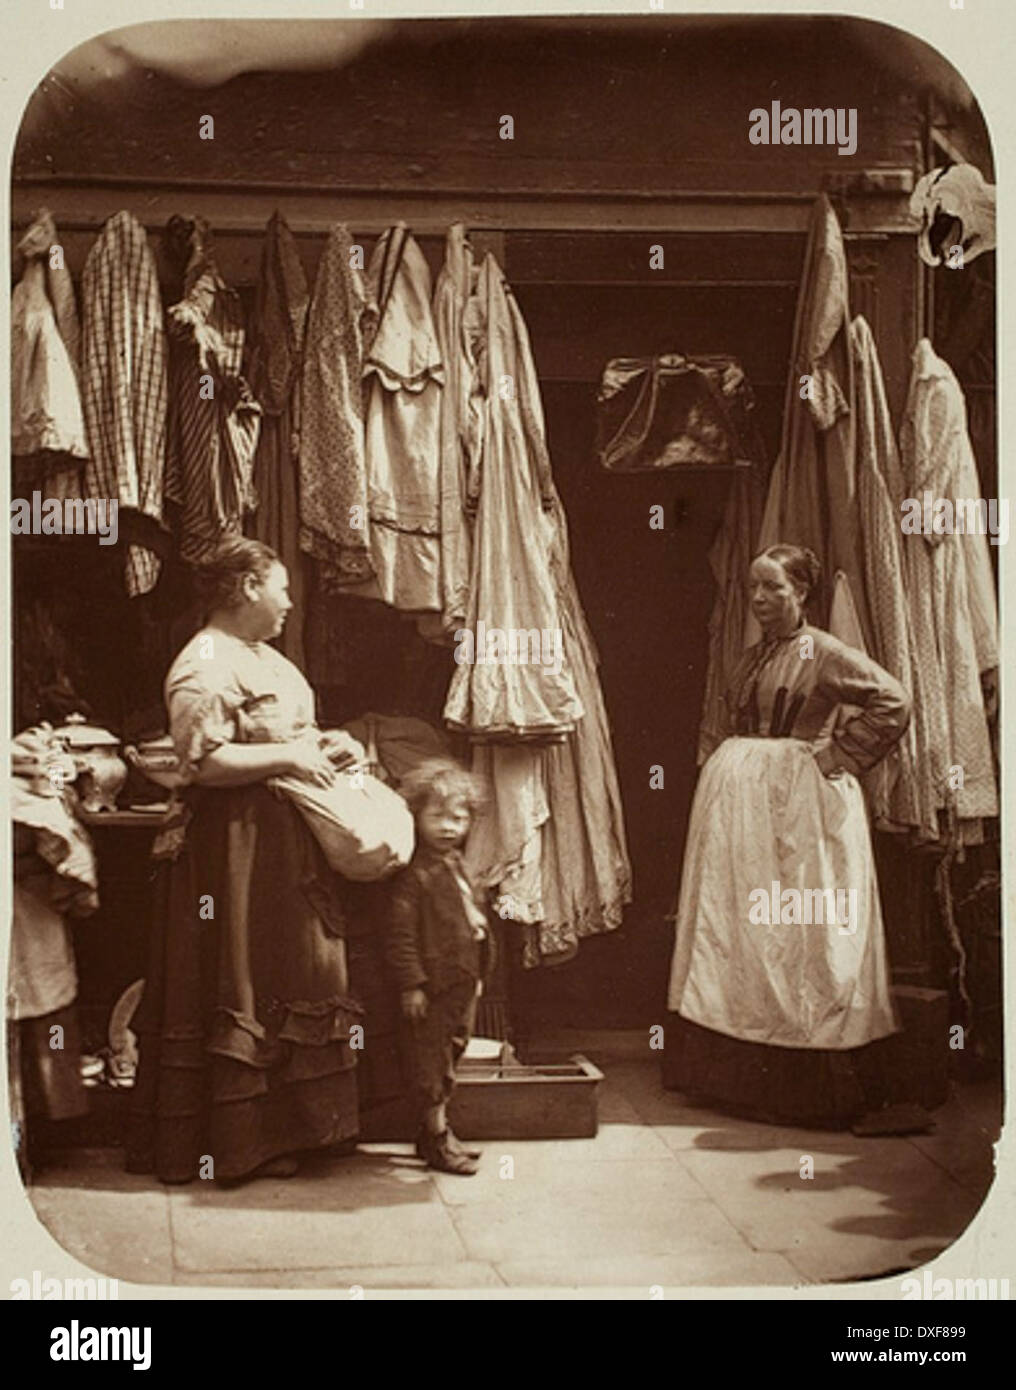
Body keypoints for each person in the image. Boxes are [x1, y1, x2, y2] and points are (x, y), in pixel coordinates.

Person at [126, 538, 367, 1185]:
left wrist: (327, 746)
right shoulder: (204, 662)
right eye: (282, 588)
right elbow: (200, 763)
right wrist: (290, 759)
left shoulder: (263, 658)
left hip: (283, 843)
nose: (291, 601)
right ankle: (241, 1143)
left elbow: (289, 738)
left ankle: (300, 1130)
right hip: (232, 850)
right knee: (245, 979)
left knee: (295, 972)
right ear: (247, 587)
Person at [665, 544, 912, 1127]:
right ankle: (739, 1076)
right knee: (744, 931)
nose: (759, 599)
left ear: (801, 593)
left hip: (799, 806)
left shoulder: (824, 651)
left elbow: (893, 700)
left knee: (801, 931)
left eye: (773, 588)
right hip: (742, 807)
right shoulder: (751, 656)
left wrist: (841, 755)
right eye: (753, 587)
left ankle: (810, 1078)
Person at [386, 759, 489, 1175]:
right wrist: (412, 984)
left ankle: (436, 1133)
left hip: (461, 985)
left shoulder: (456, 864)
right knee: (432, 1064)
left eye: (458, 817)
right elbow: (401, 935)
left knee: (452, 1053)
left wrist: (478, 974)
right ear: (417, 816)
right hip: (432, 989)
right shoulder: (414, 875)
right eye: (438, 816)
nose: (448, 826)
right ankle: (436, 1138)